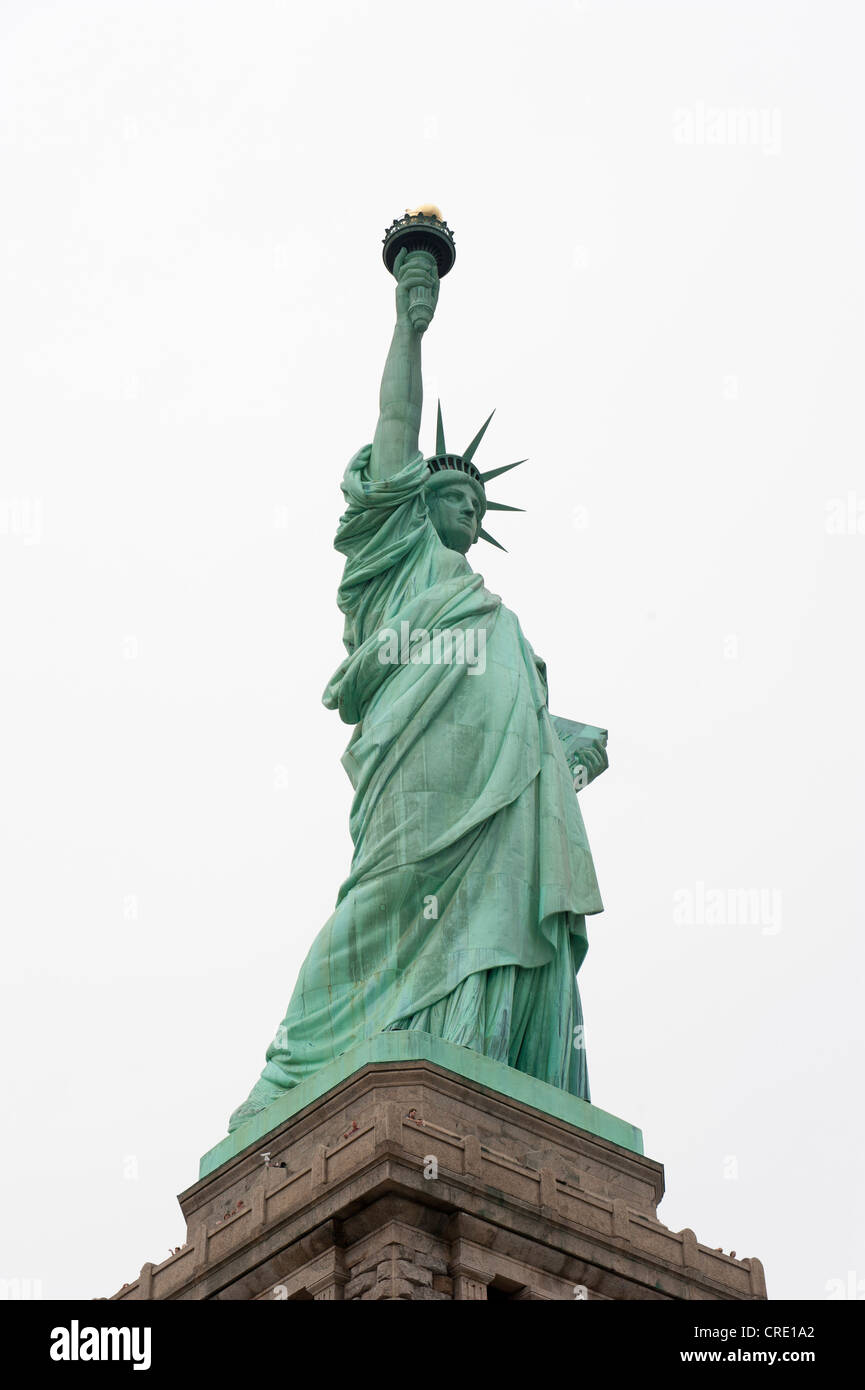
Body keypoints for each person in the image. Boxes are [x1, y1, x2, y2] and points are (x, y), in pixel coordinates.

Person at [228, 247, 607, 1135]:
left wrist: (562, 744)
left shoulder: (496, 616)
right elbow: (396, 419)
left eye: (478, 499)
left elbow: (520, 717)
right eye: (449, 490)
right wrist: (409, 313)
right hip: (415, 776)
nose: (468, 502)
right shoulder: (395, 564)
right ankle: (295, 1072)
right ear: (411, 505)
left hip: (502, 800)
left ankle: (474, 1051)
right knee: (381, 900)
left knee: (500, 906)